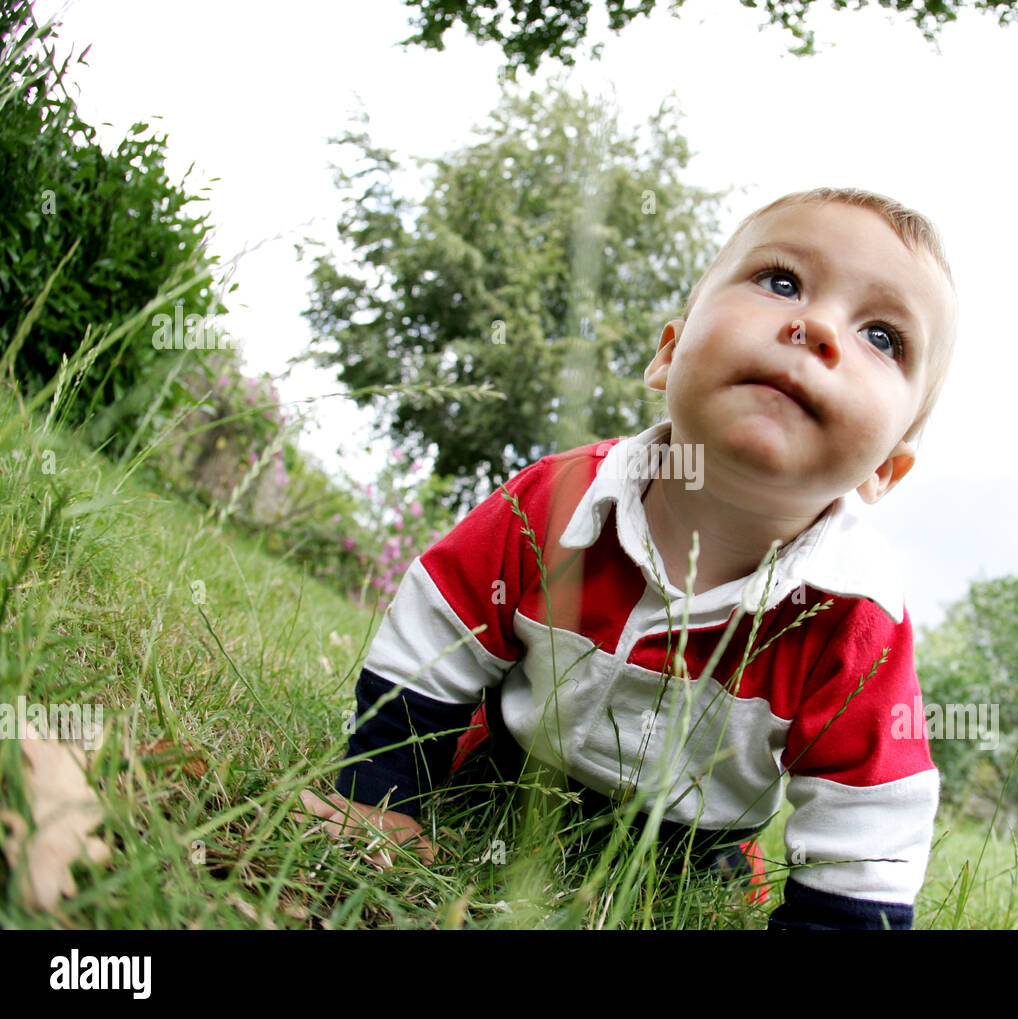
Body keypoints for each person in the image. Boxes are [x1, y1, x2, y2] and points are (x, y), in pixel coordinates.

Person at [298, 186, 959, 929]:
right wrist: (381, 795)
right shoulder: (558, 500)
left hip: (691, 849)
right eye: (782, 282)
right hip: (505, 775)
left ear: (884, 472)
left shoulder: (856, 622)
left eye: (883, 336)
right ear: (668, 354)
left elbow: (869, 813)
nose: (818, 327)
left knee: (699, 878)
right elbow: (437, 627)